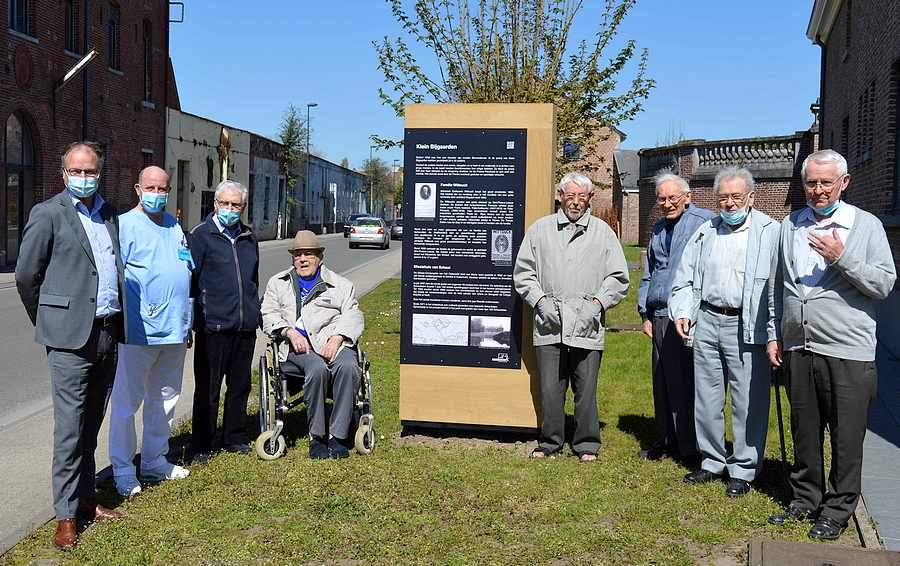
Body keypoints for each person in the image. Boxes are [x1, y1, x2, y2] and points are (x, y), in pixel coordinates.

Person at [767, 149, 896, 540]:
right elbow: (777, 287)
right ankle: (805, 499)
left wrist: (843, 257)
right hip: (799, 346)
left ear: (844, 182)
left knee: (845, 433)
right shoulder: (790, 224)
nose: (818, 190)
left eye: (826, 182)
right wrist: (776, 333)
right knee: (804, 428)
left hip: (847, 349)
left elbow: (883, 284)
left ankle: (838, 509)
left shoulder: (865, 225)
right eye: (811, 182)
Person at [15, 141, 125, 550]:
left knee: (91, 424)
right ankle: (64, 516)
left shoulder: (110, 213)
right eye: (76, 172)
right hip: (69, 342)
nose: (84, 178)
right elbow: (27, 278)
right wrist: (51, 322)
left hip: (108, 334)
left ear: (101, 173)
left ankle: (86, 499)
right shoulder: (47, 214)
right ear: (64, 174)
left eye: (90, 171)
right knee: (68, 430)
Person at [669, 166, 779, 497]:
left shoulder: (769, 232)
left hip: (747, 325)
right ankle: (712, 461)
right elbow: (685, 278)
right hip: (707, 320)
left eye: (736, 197)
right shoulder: (706, 231)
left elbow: (778, 286)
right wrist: (683, 312)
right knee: (707, 396)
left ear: (751, 198)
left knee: (748, 399)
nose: (729, 204)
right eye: (723, 198)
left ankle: (744, 467)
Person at [513, 172, 629, 462]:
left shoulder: (603, 233)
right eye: (570, 195)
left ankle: (587, 444)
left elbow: (618, 278)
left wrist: (597, 305)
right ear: (559, 195)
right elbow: (523, 272)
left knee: (585, 389)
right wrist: (540, 302)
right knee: (551, 389)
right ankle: (550, 441)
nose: (575, 202)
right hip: (549, 323)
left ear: (590, 198)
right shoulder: (540, 230)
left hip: (587, 325)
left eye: (581, 197)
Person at [107, 166, 193, 497]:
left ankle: (155, 460)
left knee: (166, 399)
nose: (158, 193)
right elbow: (115, 279)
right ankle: (124, 469)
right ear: (138, 189)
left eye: (163, 188)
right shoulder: (125, 226)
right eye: (151, 188)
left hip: (174, 330)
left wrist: (185, 322)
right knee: (127, 403)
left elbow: (184, 272)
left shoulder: (174, 226)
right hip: (138, 331)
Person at [260, 231, 365, 459]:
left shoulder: (340, 285)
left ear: (320, 257)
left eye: (308, 254)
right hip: (297, 347)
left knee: (349, 366)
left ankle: (337, 436)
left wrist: (338, 337)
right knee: (316, 368)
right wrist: (288, 331)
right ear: (293, 259)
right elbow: (267, 313)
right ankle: (317, 436)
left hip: (335, 343)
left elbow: (354, 314)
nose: (303, 259)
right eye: (298, 255)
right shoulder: (279, 283)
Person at [637, 172, 715, 467]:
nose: (667, 203)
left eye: (673, 198)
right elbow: (649, 272)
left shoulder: (704, 223)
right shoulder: (658, 228)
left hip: (684, 316)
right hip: (658, 315)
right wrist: (645, 313)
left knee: (685, 383)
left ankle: (690, 447)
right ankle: (666, 439)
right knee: (663, 382)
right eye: (662, 199)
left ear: (687, 196)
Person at [188, 180, 260, 464]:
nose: (231, 209)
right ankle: (202, 446)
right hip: (212, 326)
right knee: (208, 388)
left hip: (244, 325)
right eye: (226, 204)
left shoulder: (248, 236)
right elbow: (191, 282)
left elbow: (252, 279)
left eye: (236, 205)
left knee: (241, 385)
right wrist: (192, 323)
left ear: (242, 207)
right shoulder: (200, 236)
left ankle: (234, 438)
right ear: (215, 204)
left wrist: (254, 312)